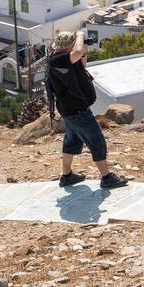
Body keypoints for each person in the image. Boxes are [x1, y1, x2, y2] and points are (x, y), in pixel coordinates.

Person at [46, 30, 128, 190]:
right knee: (96, 140)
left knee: (72, 141)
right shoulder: (58, 60)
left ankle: (67, 176)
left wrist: (84, 50)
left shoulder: (65, 59)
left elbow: (82, 64)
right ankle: (106, 178)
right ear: (69, 46)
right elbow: (76, 52)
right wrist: (80, 35)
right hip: (77, 111)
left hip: (70, 110)